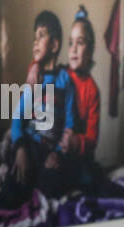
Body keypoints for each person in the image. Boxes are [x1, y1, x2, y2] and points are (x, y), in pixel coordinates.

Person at [5, 10, 76, 199]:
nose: (35, 42)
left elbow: (69, 125)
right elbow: (18, 118)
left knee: (53, 187)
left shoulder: (65, 81)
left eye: (41, 35)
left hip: (50, 152)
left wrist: (58, 153)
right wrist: (21, 149)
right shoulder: (34, 79)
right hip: (29, 146)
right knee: (11, 191)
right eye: (34, 37)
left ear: (54, 45)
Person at [60, 5, 101, 185]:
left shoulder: (92, 90)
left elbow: (92, 139)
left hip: (78, 155)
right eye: (70, 42)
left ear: (90, 51)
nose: (73, 49)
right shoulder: (60, 76)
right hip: (55, 147)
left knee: (89, 181)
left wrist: (77, 142)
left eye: (80, 42)